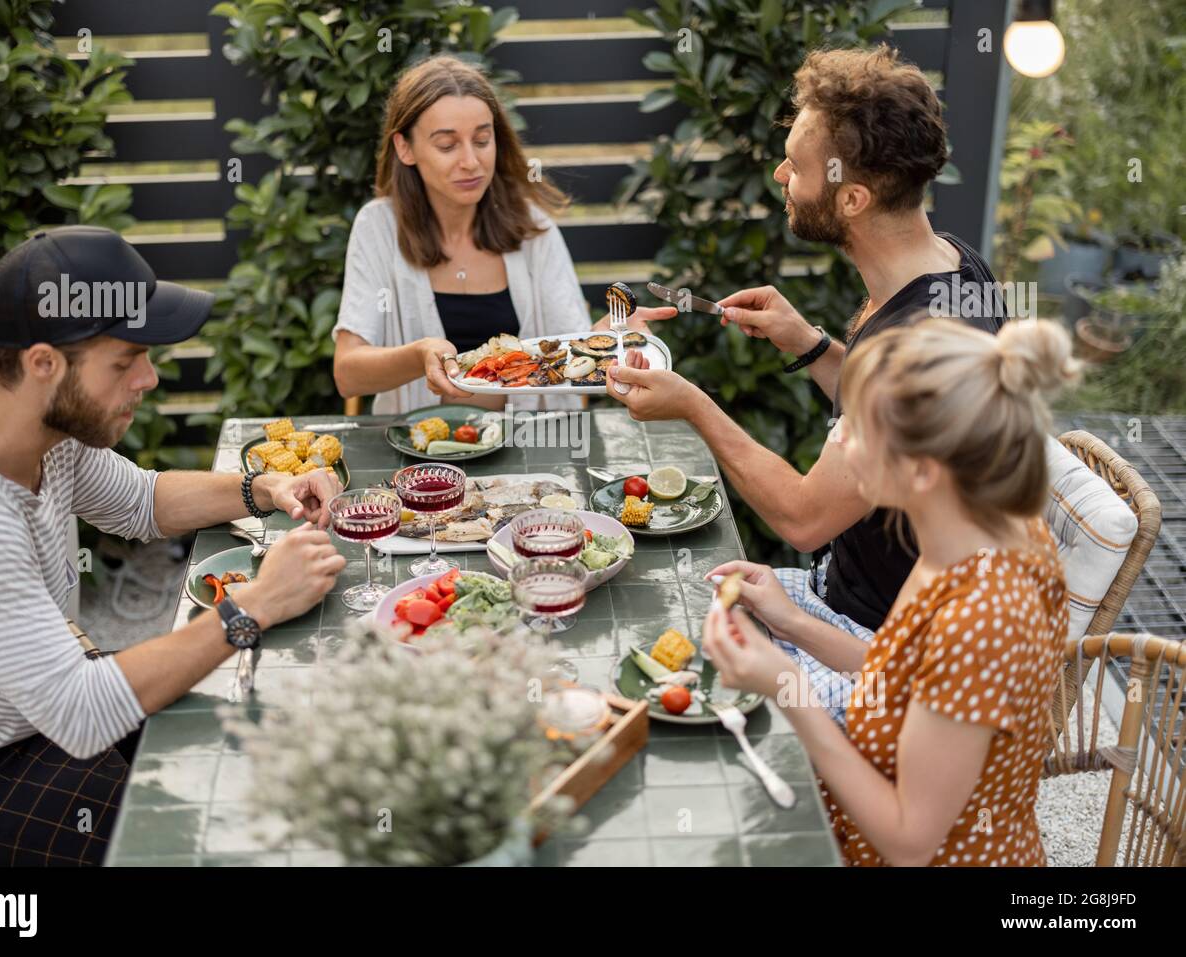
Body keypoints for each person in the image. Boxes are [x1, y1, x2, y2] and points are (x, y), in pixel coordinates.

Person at [0, 226, 346, 866]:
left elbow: (141, 502)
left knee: (259, 738)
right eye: (127, 360)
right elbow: (82, 710)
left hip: (35, 709)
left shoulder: (24, 412)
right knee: (207, 839)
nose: (151, 378)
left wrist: (265, 487)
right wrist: (254, 607)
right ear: (44, 362)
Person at [607, 45, 1008, 718]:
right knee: (655, 600)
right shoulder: (955, 268)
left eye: (796, 164)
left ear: (853, 197)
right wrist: (814, 344)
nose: (780, 173)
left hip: (878, 643)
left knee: (665, 688)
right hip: (842, 595)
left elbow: (803, 515)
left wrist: (693, 409)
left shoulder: (917, 346)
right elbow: (892, 414)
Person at [703, 317, 1077, 866]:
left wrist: (786, 686)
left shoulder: (986, 618)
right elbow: (897, 674)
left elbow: (909, 840)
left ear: (922, 470)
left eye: (855, 427)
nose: (837, 438)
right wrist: (794, 624)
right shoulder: (965, 527)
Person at [333, 54, 675, 414]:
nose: (470, 161)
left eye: (482, 140)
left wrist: (608, 340)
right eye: (447, 145)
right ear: (404, 147)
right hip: (420, 457)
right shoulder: (378, 228)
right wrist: (420, 356)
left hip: (530, 451)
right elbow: (348, 374)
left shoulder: (532, 229)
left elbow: (573, 360)